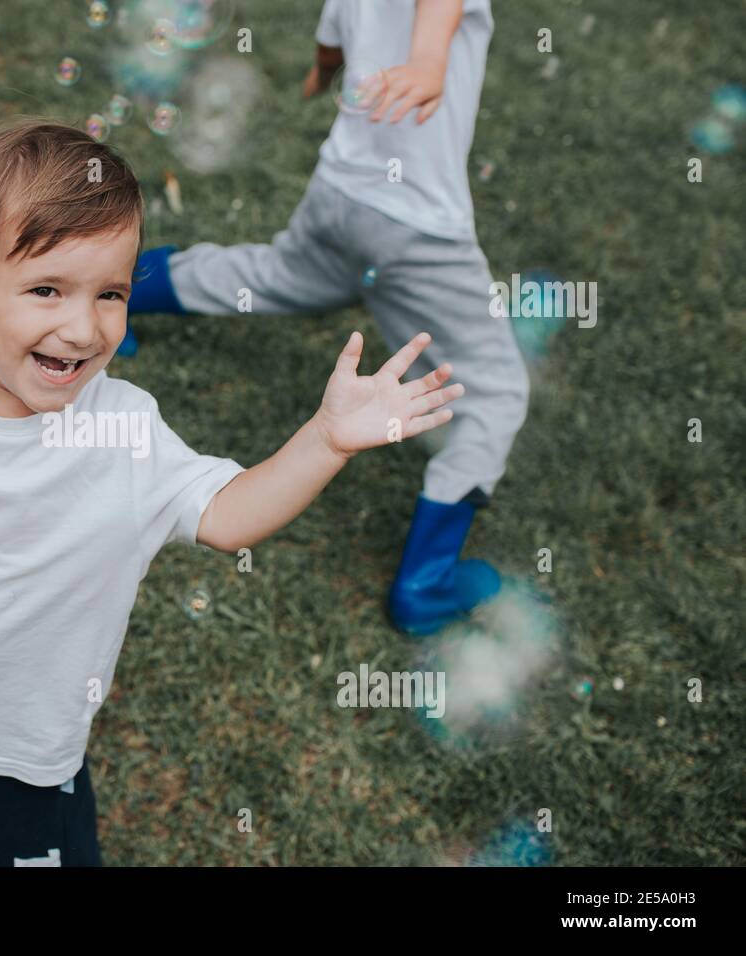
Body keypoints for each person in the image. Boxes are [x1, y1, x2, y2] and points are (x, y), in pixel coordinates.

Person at [0, 112, 463, 865]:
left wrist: (326, 439)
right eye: (47, 289)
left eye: (110, 293)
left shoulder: (124, 428)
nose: (83, 328)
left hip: (21, 756)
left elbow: (229, 515)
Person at [121, 0, 529, 636]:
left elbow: (333, 43)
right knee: (497, 391)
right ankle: (426, 584)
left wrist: (321, 73)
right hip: (414, 225)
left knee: (272, 277)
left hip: (341, 193)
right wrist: (426, 60)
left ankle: (120, 292)